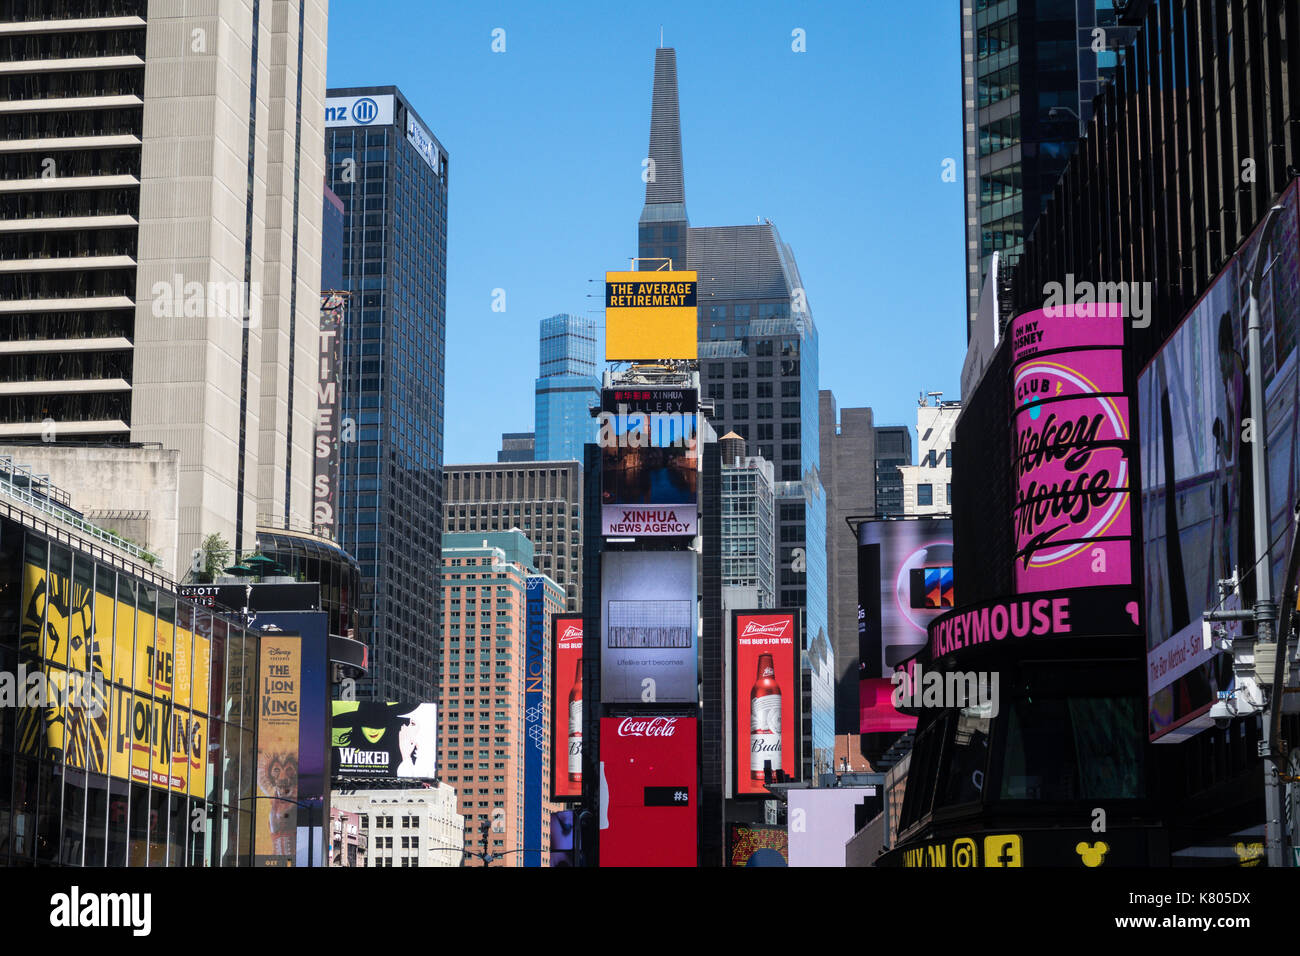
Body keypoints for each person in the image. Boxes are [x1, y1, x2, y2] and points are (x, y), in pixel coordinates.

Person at [396, 702, 438, 778]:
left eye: (412, 723)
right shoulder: (425, 757)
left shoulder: (427, 761)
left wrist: (406, 757)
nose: (407, 727)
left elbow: (410, 783)